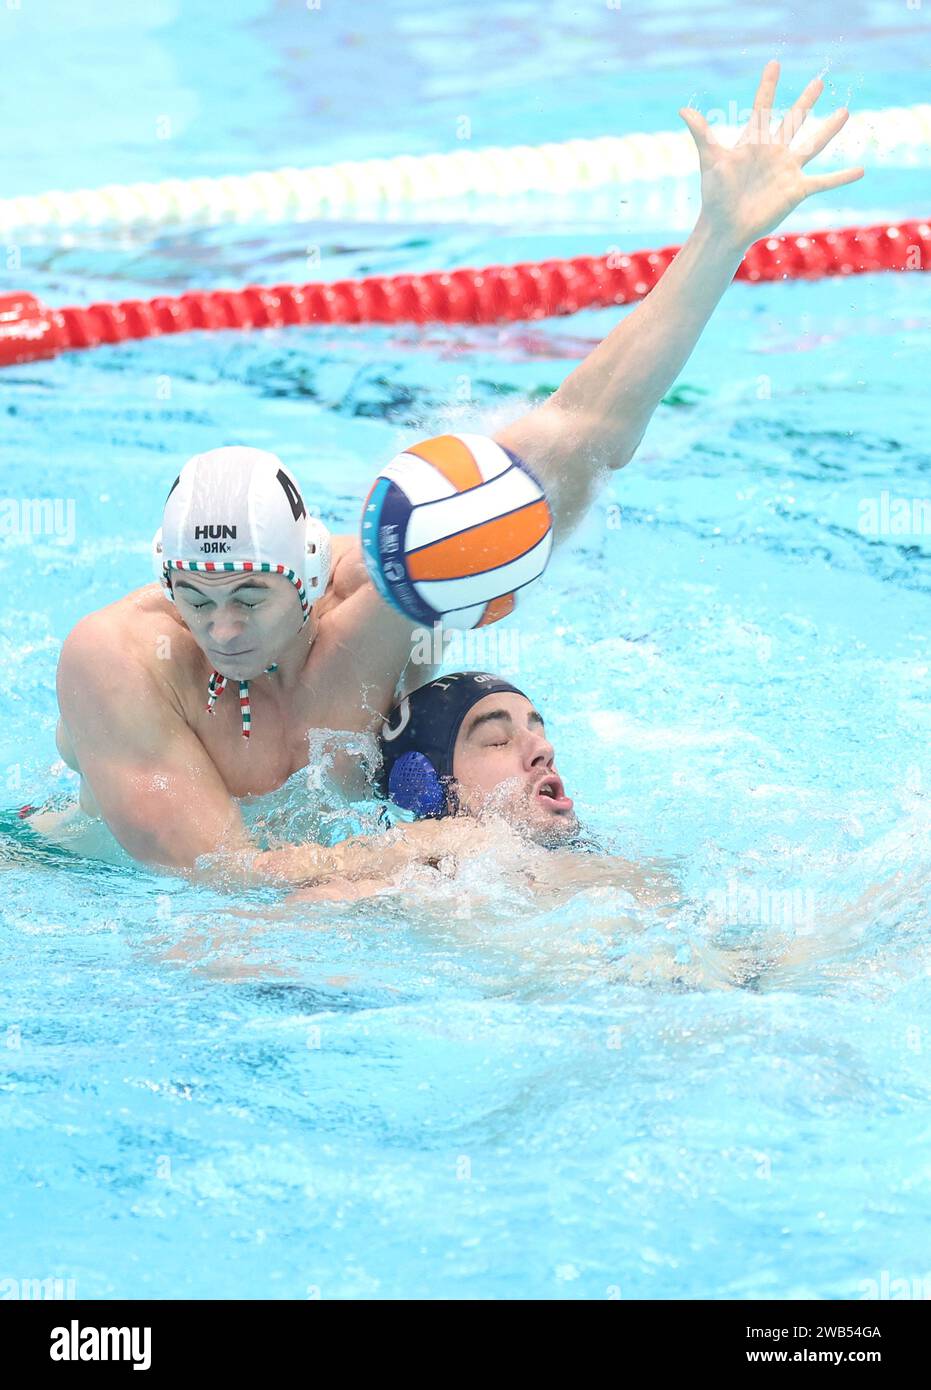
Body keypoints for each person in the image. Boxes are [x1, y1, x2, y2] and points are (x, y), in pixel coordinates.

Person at [42, 60, 862, 888]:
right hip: (78, 887)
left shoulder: (390, 593)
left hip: (332, 885)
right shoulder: (123, 661)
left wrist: (718, 238)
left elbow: (580, 435)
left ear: (312, 574)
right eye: (198, 600)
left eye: (248, 598)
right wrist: (433, 851)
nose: (220, 631)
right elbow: (218, 881)